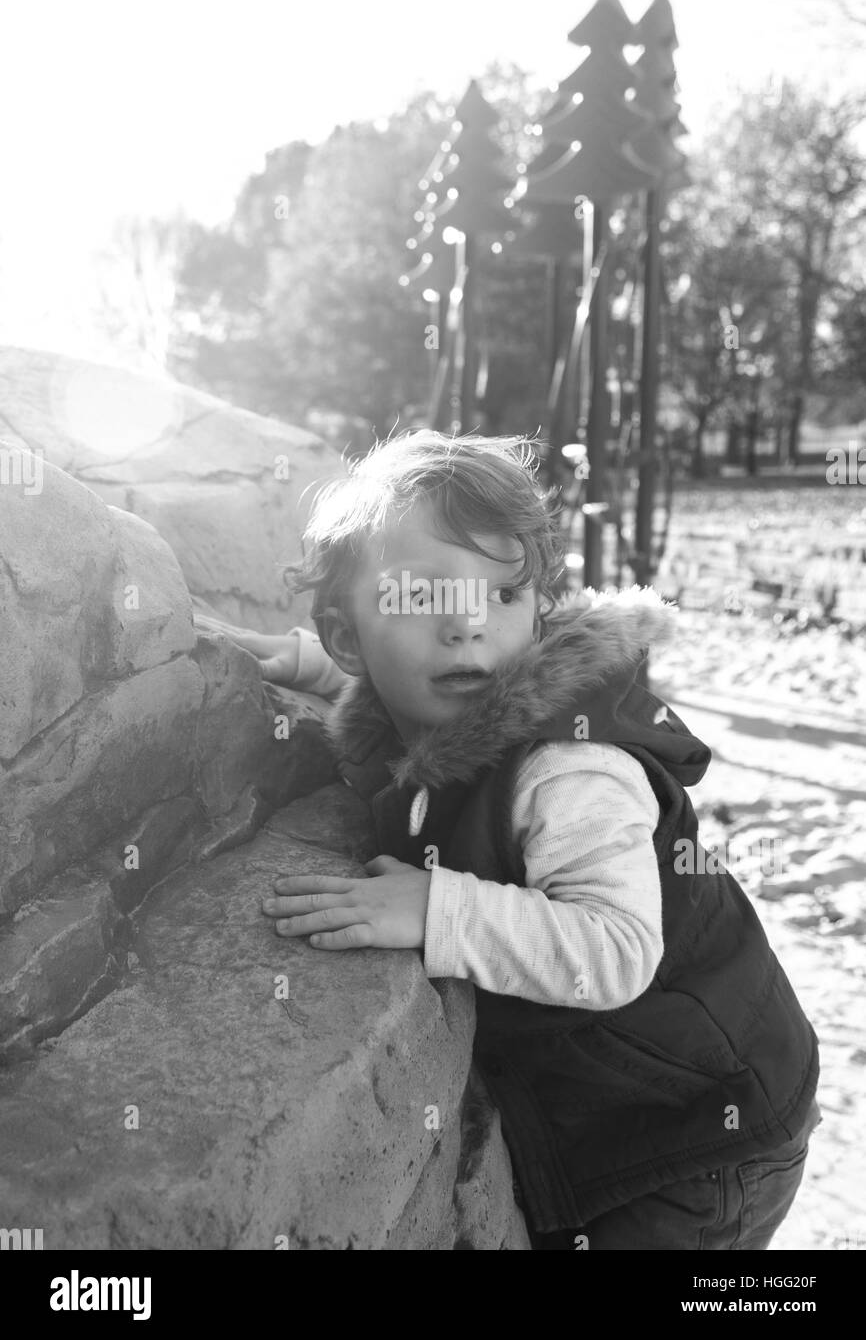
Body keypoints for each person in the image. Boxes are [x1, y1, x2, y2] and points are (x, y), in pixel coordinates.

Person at [202, 430, 821, 1250]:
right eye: (421, 597)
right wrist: (309, 666)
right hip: (637, 1103)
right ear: (348, 634)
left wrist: (439, 910)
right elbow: (391, 684)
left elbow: (617, 946)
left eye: (503, 596)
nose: (467, 628)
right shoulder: (439, 688)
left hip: (697, 1141)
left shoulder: (570, 770)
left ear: (538, 607)